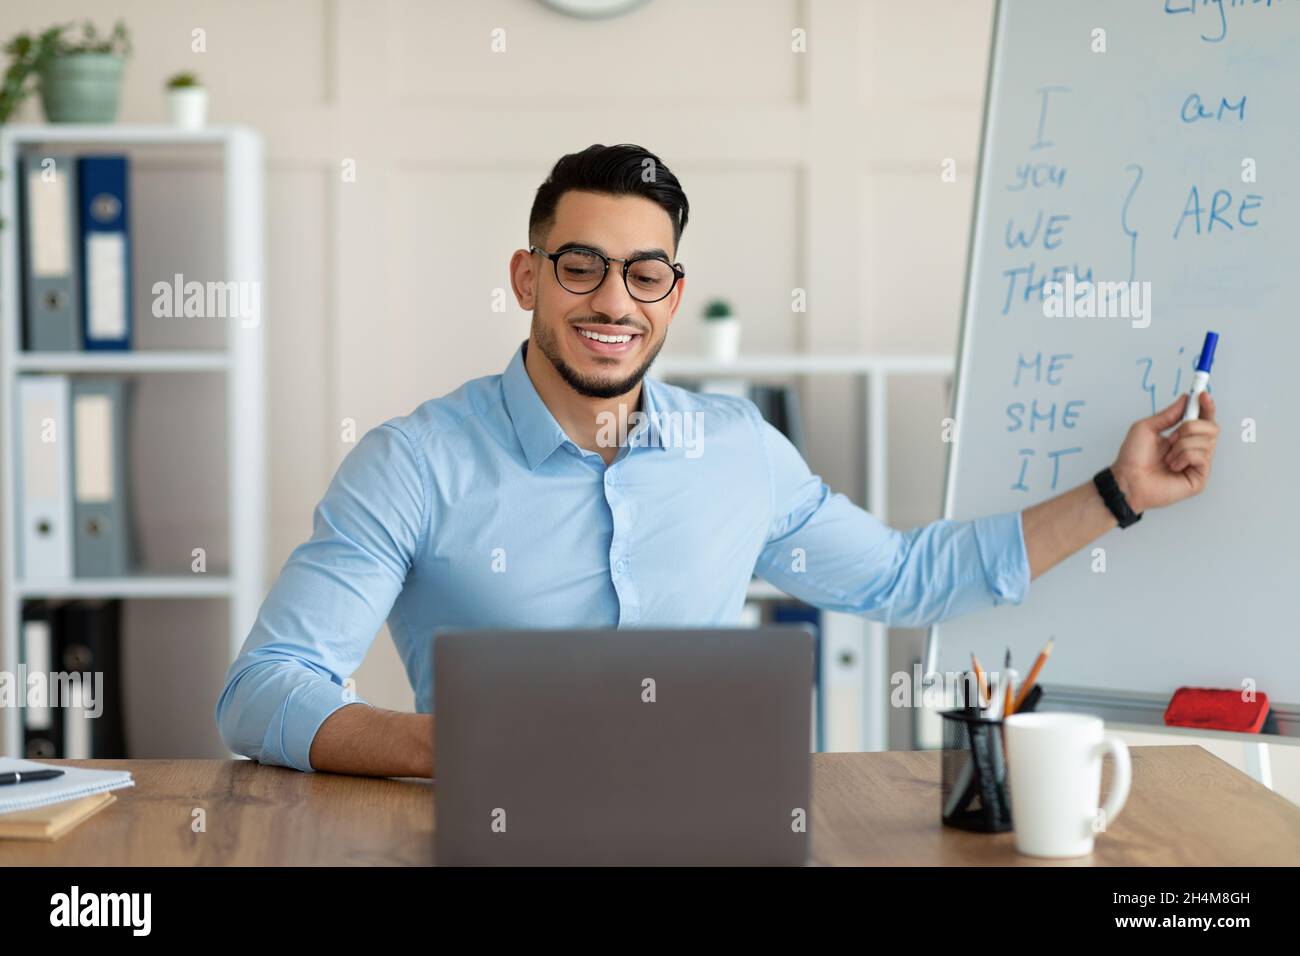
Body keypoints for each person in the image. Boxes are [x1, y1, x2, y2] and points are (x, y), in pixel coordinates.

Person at [216, 143, 1219, 777]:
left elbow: (905, 577)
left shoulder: (736, 450)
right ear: (528, 276)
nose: (614, 301)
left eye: (643, 274)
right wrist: (449, 748)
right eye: (581, 267)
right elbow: (265, 689)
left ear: (672, 295)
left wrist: (1116, 493)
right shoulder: (413, 462)